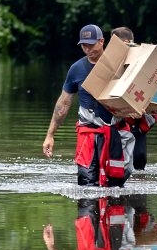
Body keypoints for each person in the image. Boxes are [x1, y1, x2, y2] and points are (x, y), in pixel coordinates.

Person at [42, 24, 134, 186]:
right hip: (88, 135)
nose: (87, 49)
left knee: (116, 182)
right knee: (86, 185)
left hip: (116, 133)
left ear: (102, 41)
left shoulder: (121, 65)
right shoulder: (76, 69)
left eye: (91, 44)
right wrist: (50, 135)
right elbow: (63, 103)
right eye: (84, 45)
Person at [109, 26, 157, 171]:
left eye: (114, 43)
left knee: (138, 162)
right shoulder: (110, 64)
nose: (111, 47)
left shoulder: (143, 62)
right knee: (115, 164)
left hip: (139, 122)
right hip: (118, 121)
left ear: (127, 42)